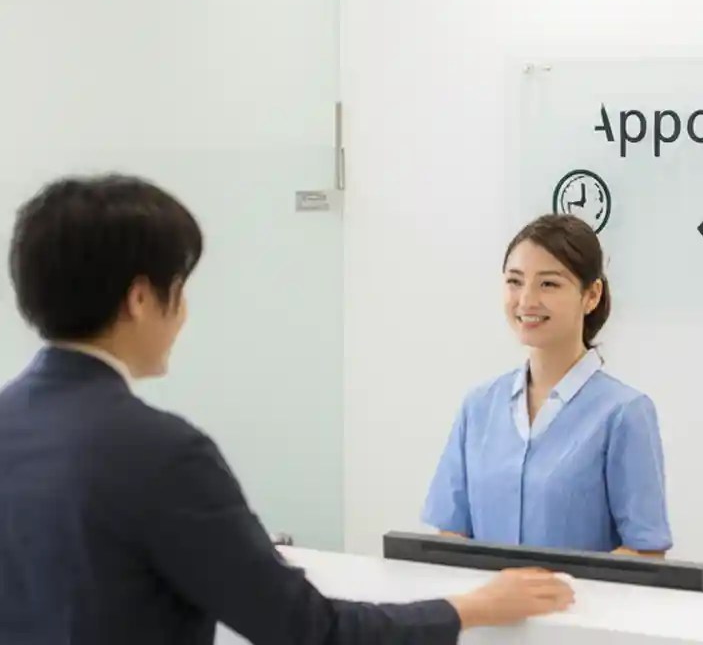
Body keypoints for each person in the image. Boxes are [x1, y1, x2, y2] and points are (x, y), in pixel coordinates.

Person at [0, 174, 573, 645]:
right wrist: (469, 608)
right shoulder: (162, 454)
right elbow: (307, 631)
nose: (184, 313)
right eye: (181, 287)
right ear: (142, 298)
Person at [421, 214, 672, 556]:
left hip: (585, 609)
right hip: (485, 609)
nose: (526, 300)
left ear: (592, 295)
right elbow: (451, 532)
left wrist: (556, 593)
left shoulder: (624, 413)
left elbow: (646, 550)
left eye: (549, 284)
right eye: (515, 281)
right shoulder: (478, 406)